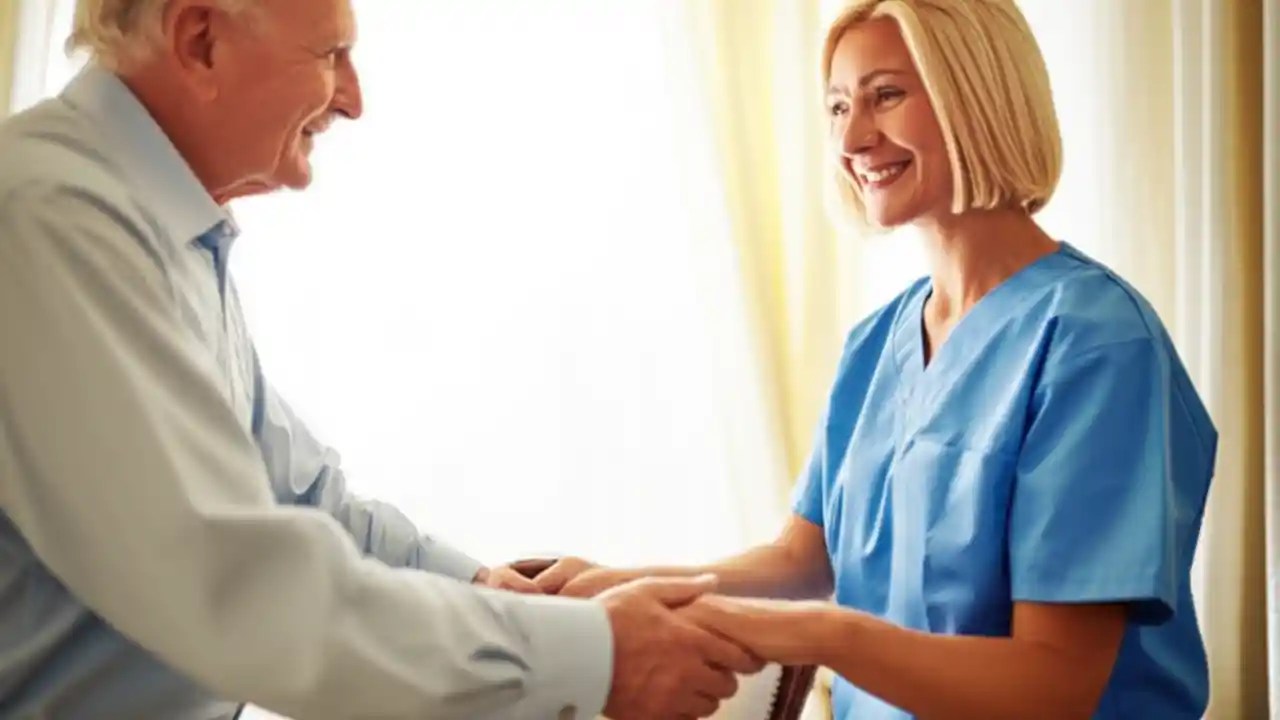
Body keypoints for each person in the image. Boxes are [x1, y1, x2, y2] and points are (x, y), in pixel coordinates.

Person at [0, 0, 762, 717]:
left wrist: (492, 592)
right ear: (200, 38)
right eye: (332, 54)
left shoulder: (161, 231)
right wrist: (593, 656)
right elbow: (233, 584)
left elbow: (302, 498)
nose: (353, 99)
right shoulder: (53, 217)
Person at [532, 1, 1218, 718]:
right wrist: (617, 585)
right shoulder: (876, 342)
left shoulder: (1095, 341)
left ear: (975, 95)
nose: (853, 138)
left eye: (885, 95)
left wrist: (823, 633)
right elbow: (802, 561)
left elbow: (1052, 685)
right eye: (836, 107)